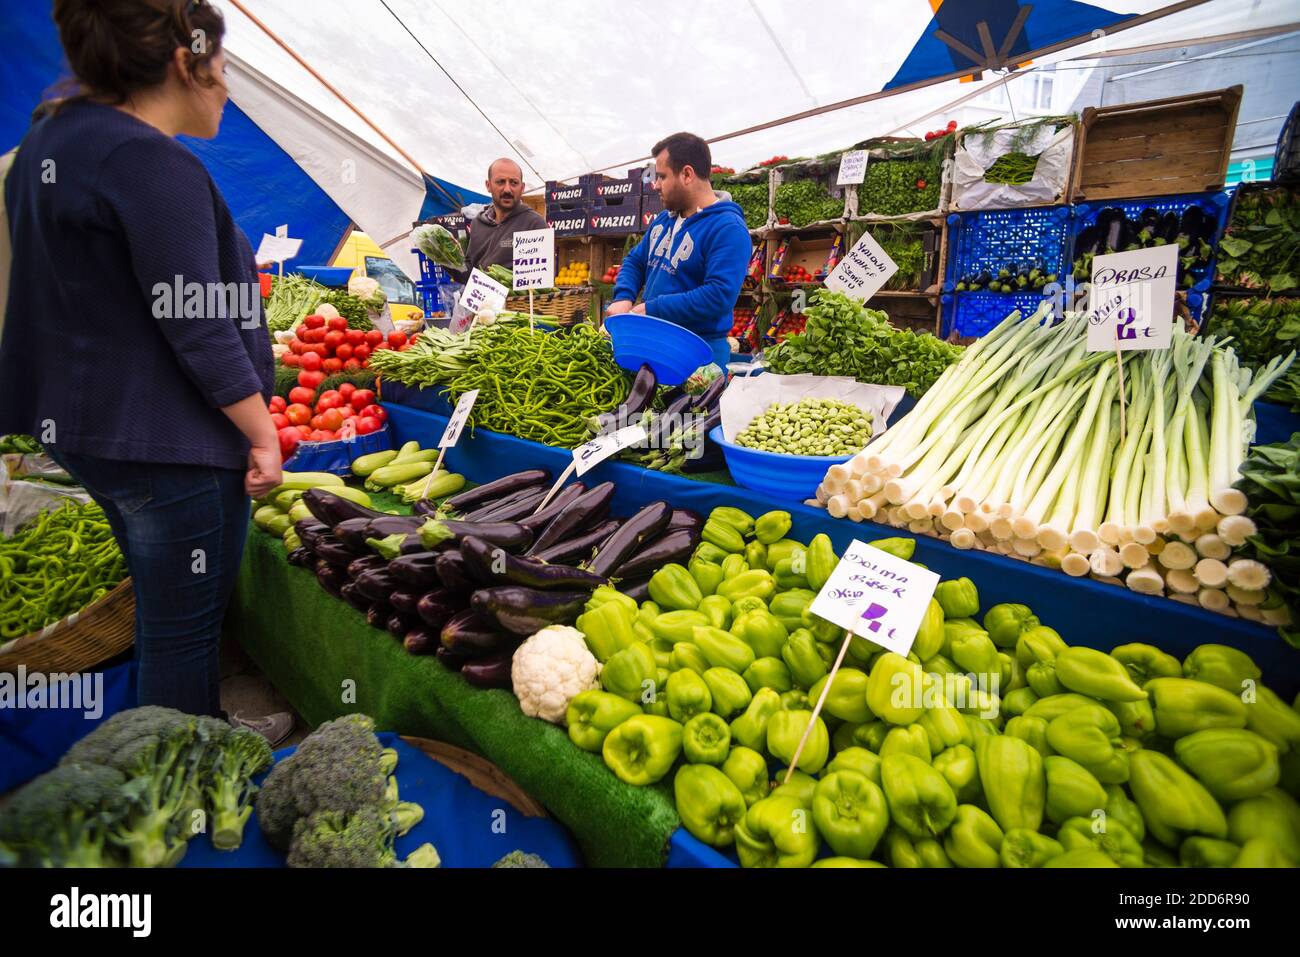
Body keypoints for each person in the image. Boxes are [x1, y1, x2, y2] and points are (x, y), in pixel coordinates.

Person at [0, 0, 290, 742]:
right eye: (222, 67)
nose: (227, 86)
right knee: (182, 629)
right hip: (169, 444)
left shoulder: (47, 144)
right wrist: (262, 433)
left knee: (164, 607)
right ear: (182, 62)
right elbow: (193, 315)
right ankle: (182, 777)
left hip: (91, 430)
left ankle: (198, 731)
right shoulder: (148, 159)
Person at [607, 132, 750, 369]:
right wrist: (624, 296)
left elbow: (718, 295)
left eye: (662, 176)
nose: (656, 185)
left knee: (687, 408)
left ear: (686, 174)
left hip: (698, 357)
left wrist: (653, 309)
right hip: (655, 345)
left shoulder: (728, 228)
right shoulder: (664, 221)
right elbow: (635, 261)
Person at [463, 157, 547, 274]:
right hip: (479, 292)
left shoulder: (534, 224)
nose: (507, 189)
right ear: (488, 185)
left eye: (514, 183)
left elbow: (540, 279)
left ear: (522, 188)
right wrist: (444, 258)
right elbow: (469, 271)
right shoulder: (477, 224)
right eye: (500, 182)